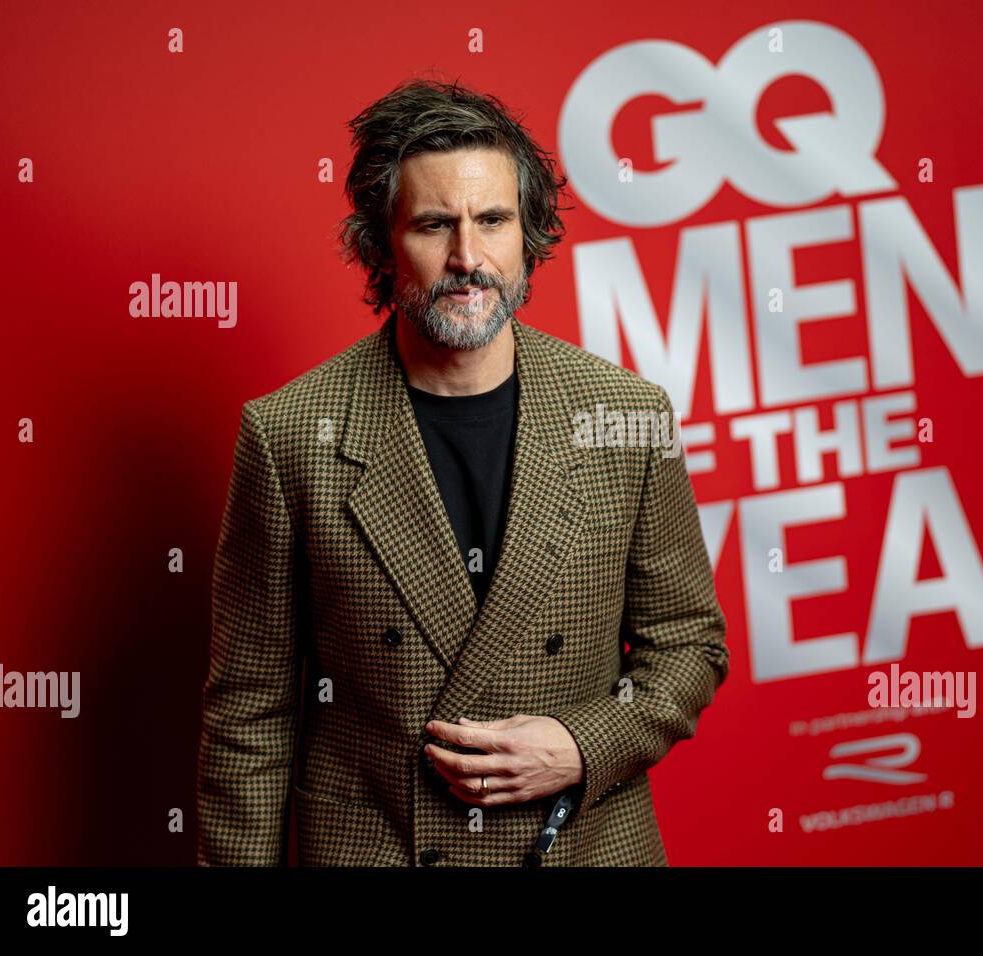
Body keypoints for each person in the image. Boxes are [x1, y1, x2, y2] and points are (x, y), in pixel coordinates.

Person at [196, 77, 728, 867]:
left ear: (530, 233)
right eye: (434, 224)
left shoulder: (628, 415)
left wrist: (582, 743)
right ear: (381, 243)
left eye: (492, 221)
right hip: (380, 845)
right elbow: (249, 714)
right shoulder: (290, 436)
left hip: (579, 846)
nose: (467, 258)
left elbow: (689, 644)